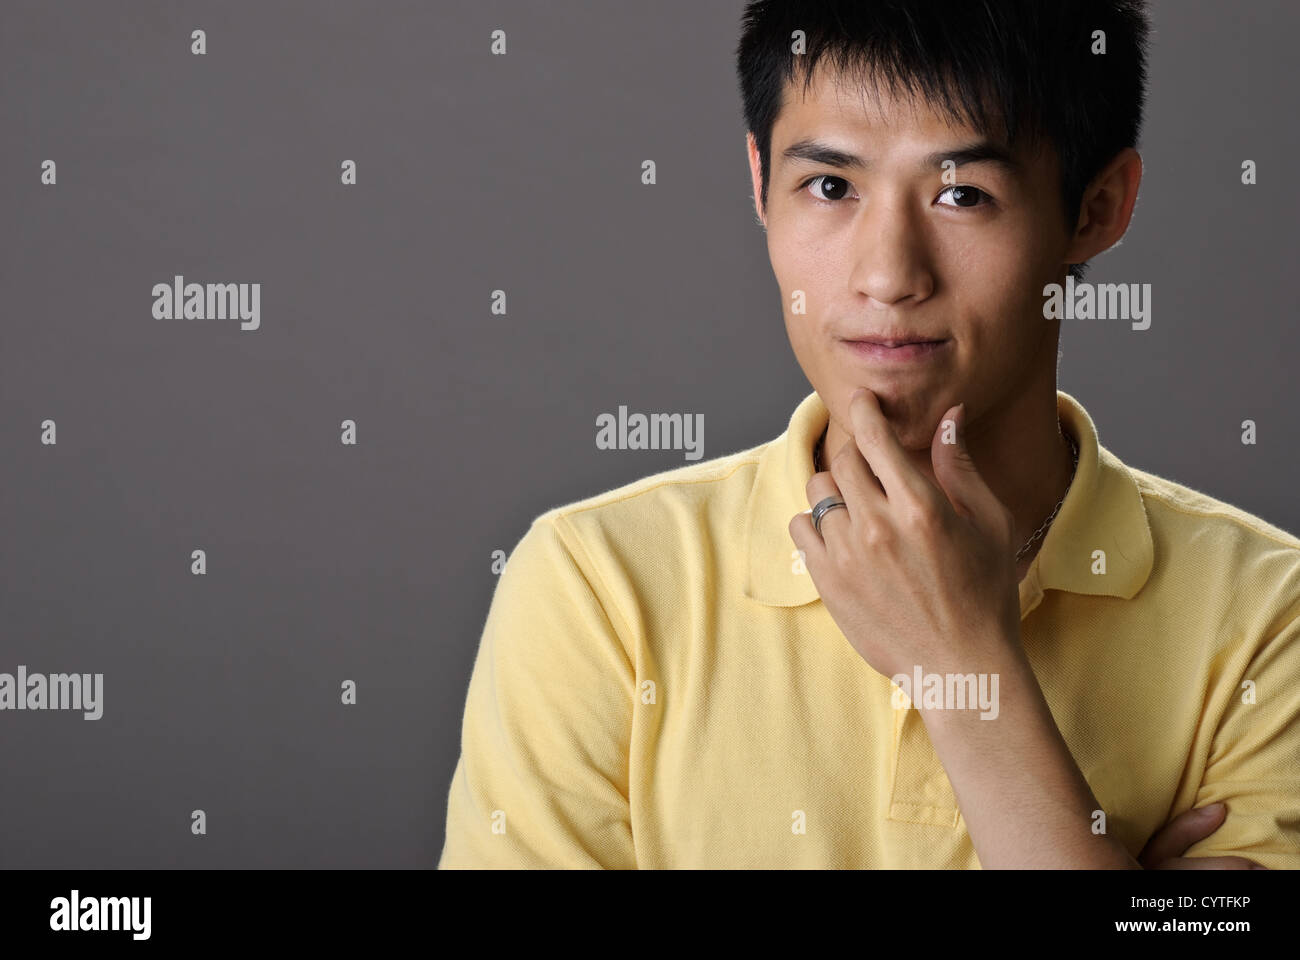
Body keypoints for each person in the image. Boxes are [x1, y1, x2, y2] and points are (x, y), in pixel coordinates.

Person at [439, 0, 1299, 868]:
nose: (888, 274)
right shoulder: (599, 587)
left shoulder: (1270, 616)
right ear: (759, 185)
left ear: (1097, 208)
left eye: (963, 194)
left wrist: (962, 663)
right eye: (830, 186)